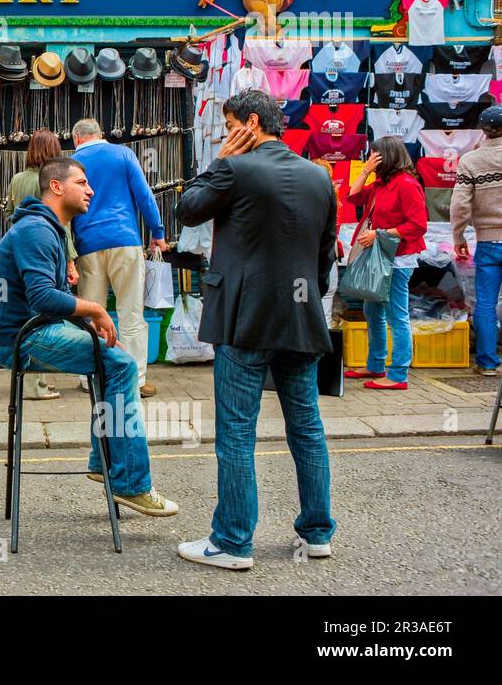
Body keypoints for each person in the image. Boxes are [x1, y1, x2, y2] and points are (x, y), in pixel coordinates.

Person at [175, 89, 337, 570]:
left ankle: (232, 542)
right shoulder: (318, 177)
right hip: (301, 316)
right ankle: (317, 533)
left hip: (245, 319)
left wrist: (219, 159)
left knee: (237, 432)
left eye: (228, 127)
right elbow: (326, 256)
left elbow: (188, 209)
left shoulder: (234, 166)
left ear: (248, 123)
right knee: (306, 426)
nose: (226, 137)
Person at [0, 156, 177, 516]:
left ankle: (105, 464)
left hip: (34, 329)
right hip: (19, 340)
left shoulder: (48, 227)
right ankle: (130, 482)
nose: (91, 190)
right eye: (82, 183)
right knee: (121, 365)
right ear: (57, 187)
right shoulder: (37, 230)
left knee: (112, 363)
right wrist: (96, 310)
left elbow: (44, 297)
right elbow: (42, 297)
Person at [70, 118, 168, 397]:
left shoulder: (72, 164)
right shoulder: (123, 154)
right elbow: (144, 196)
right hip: (125, 240)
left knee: (91, 313)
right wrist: (157, 233)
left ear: (77, 139)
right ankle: (135, 380)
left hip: (88, 245)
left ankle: (89, 378)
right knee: (131, 313)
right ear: (100, 134)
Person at [345, 136, 428, 391]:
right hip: (379, 259)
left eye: (375, 155)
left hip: (397, 260)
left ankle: (398, 374)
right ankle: (376, 363)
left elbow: (417, 225)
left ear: (387, 156)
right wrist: (366, 171)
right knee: (373, 312)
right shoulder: (382, 184)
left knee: (396, 316)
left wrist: (381, 234)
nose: (371, 158)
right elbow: (353, 197)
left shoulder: (407, 184)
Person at [7, 128, 79, 401]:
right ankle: (35, 384)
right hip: (49, 253)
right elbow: (63, 226)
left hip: (20, 253)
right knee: (44, 317)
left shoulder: (17, 180)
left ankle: (35, 381)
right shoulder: (53, 183)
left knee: (27, 314)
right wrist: (71, 263)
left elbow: (8, 213)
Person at [452, 105, 502, 378]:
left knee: (485, 303)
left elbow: (460, 204)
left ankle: (488, 363)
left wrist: (458, 235)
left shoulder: (471, 161)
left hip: (488, 241)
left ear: (482, 129)